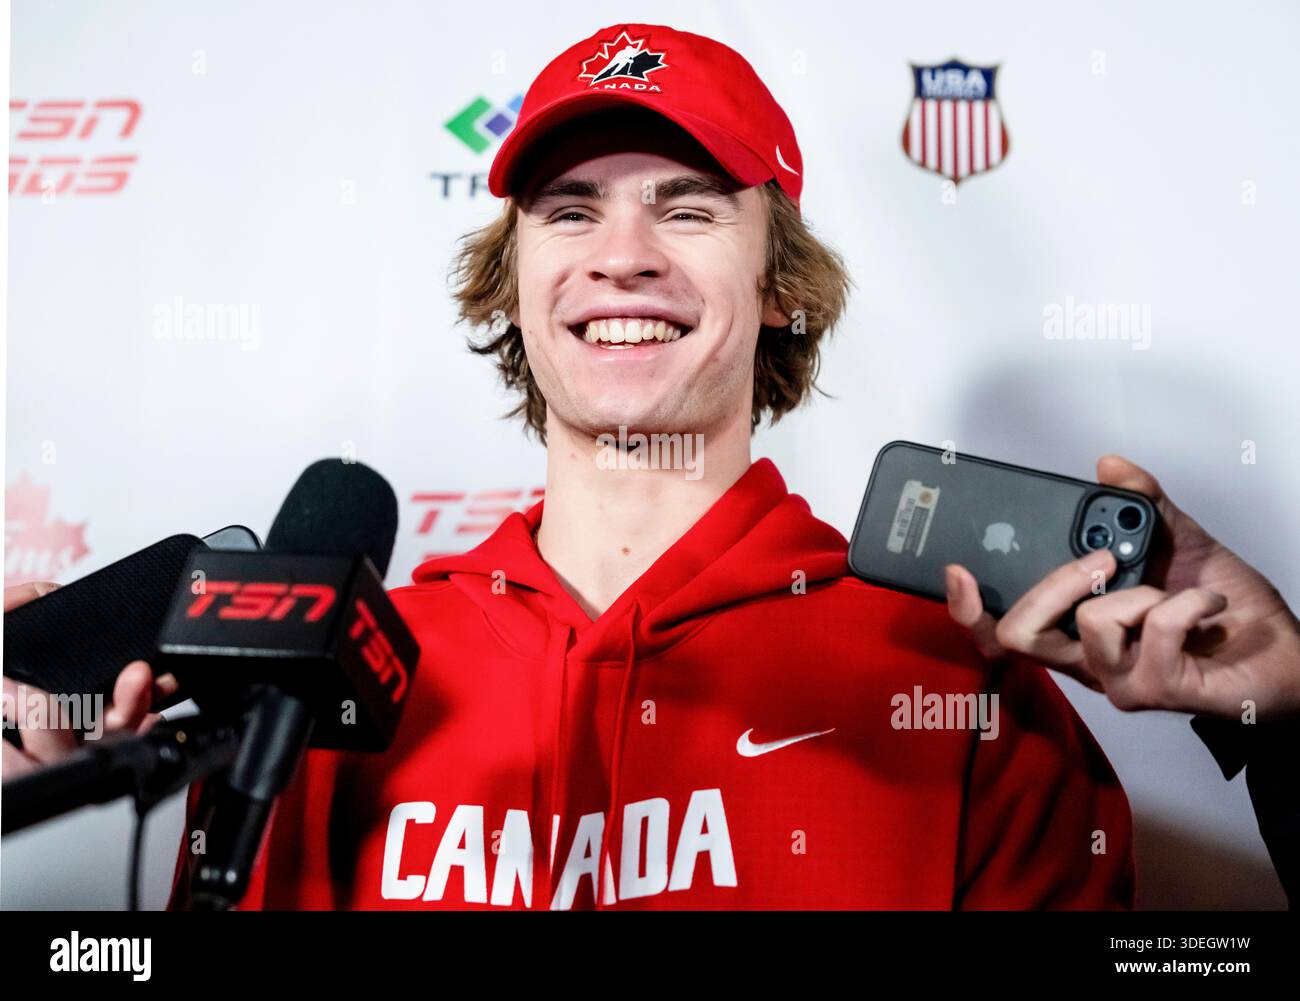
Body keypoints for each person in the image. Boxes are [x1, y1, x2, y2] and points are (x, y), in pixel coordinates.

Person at [6, 22, 1297, 910]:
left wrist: (1291, 716)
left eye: (686, 204)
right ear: (513, 289)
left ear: (780, 285)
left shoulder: (963, 682)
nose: (621, 252)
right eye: (569, 209)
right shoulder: (327, 685)